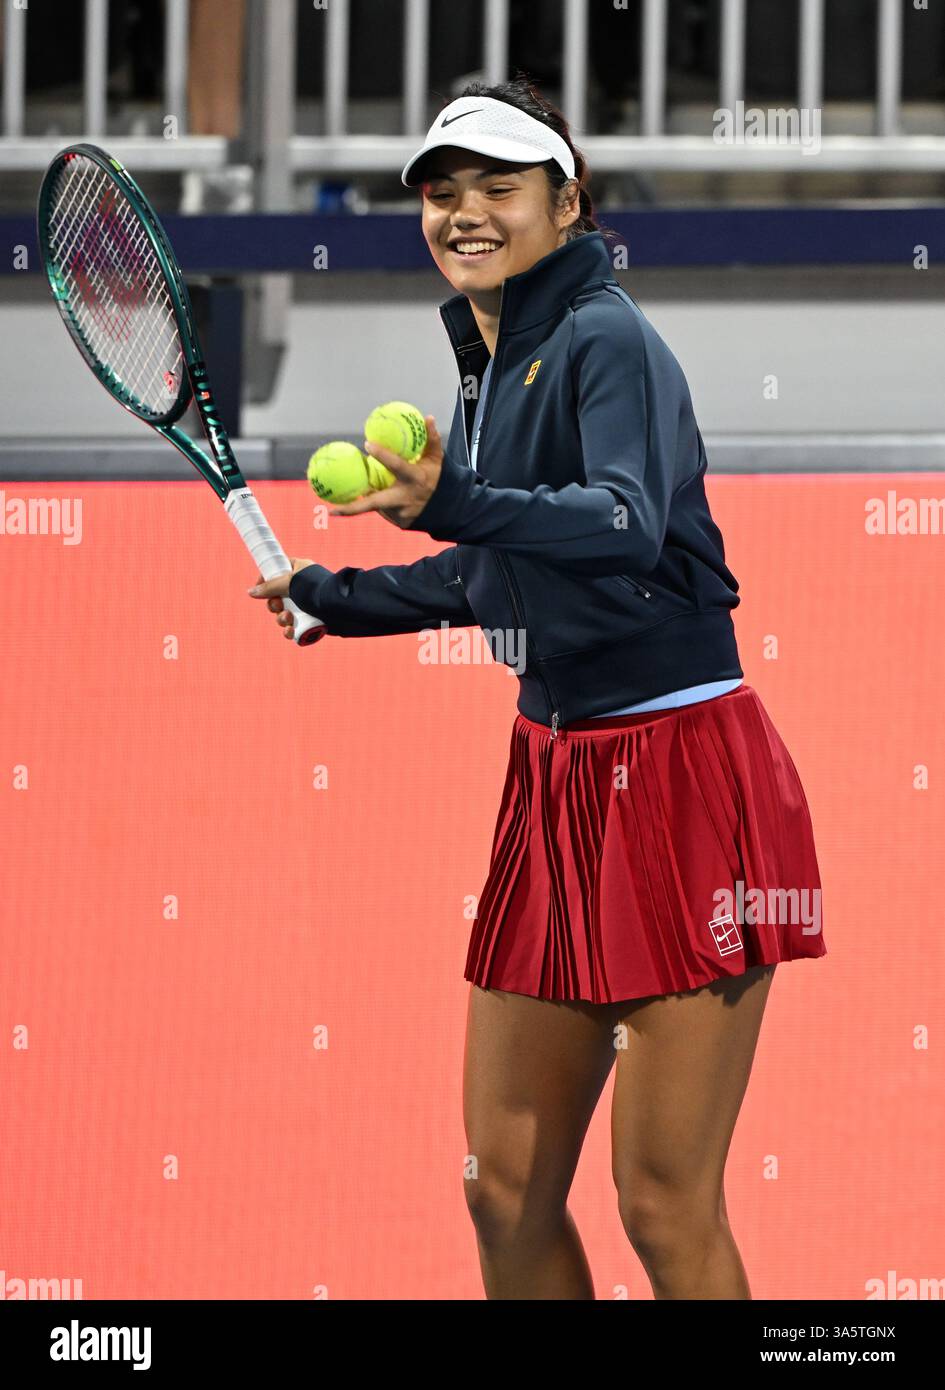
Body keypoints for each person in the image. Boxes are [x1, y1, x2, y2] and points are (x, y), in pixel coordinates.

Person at [249, 75, 827, 1300]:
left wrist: (446, 501)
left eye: (496, 189)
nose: (464, 212)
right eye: (442, 193)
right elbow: (507, 567)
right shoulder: (494, 351)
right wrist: (335, 595)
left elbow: (617, 524)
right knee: (502, 1187)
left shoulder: (605, 336)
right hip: (556, 779)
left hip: (683, 781)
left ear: (568, 205)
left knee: (664, 1205)